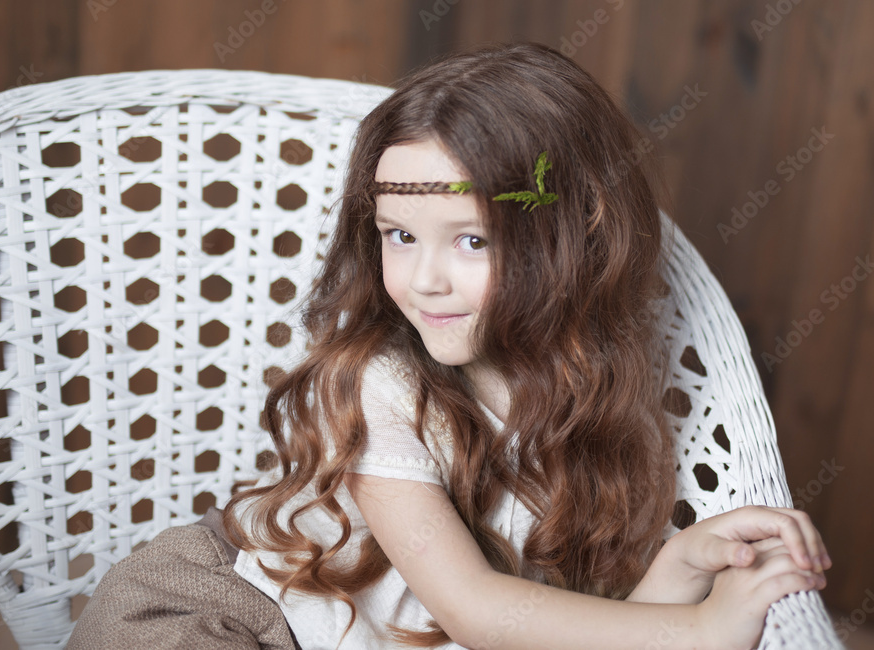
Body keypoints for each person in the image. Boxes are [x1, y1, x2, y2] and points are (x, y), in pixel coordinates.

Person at [68, 42, 830, 650]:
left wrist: (679, 568)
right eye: (399, 236)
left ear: (577, 236)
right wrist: (695, 632)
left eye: (471, 240)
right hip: (227, 615)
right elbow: (476, 611)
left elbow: (558, 623)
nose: (424, 279)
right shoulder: (381, 384)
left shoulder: (594, 389)